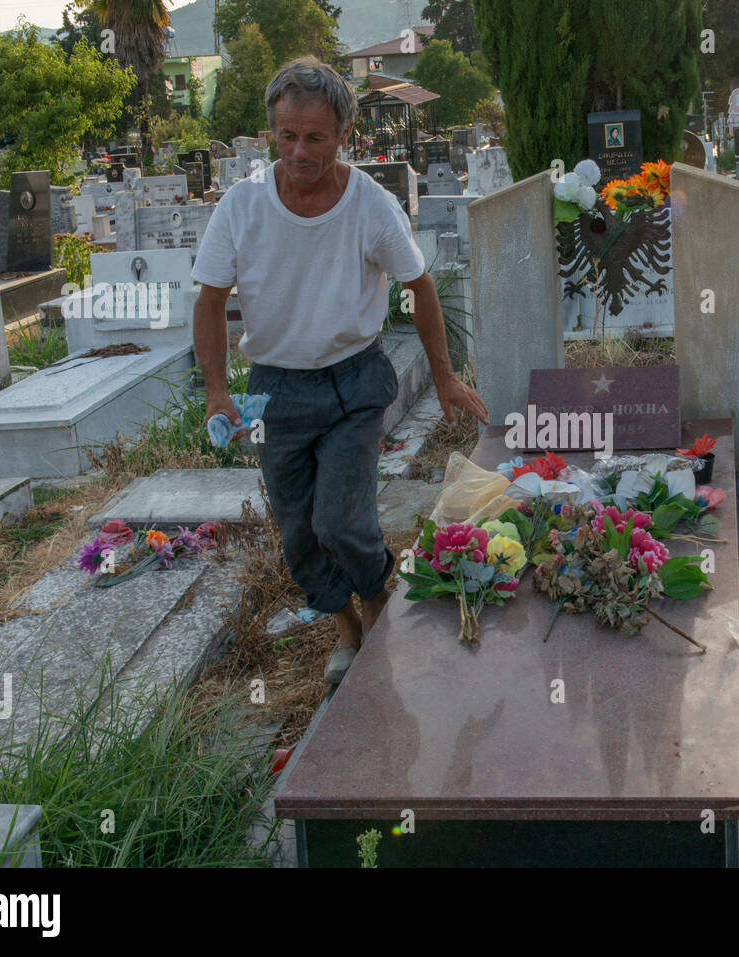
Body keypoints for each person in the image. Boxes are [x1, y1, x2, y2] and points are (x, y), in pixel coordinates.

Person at [191, 57, 489, 684]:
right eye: (287, 135)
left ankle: (379, 592)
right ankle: (344, 627)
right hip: (274, 391)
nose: (299, 151)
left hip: (355, 382)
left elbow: (420, 286)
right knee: (298, 529)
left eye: (316, 137)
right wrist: (219, 392)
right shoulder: (241, 207)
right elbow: (211, 300)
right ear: (274, 130)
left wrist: (444, 377)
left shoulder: (369, 206)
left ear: (343, 135)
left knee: (340, 520)